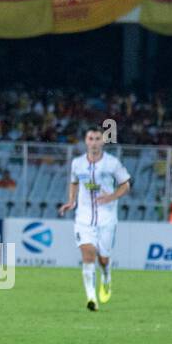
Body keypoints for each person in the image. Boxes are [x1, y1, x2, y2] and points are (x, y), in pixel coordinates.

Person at [58, 130, 131, 311]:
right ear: (86, 141)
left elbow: (126, 184)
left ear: (103, 142)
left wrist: (112, 196)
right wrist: (71, 201)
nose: (94, 143)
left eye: (98, 139)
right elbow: (74, 182)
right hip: (83, 218)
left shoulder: (112, 163)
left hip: (107, 218)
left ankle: (106, 276)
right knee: (88, 254)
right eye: (91, 139)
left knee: (103, 259)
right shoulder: (77, 163)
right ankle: (91, 298)